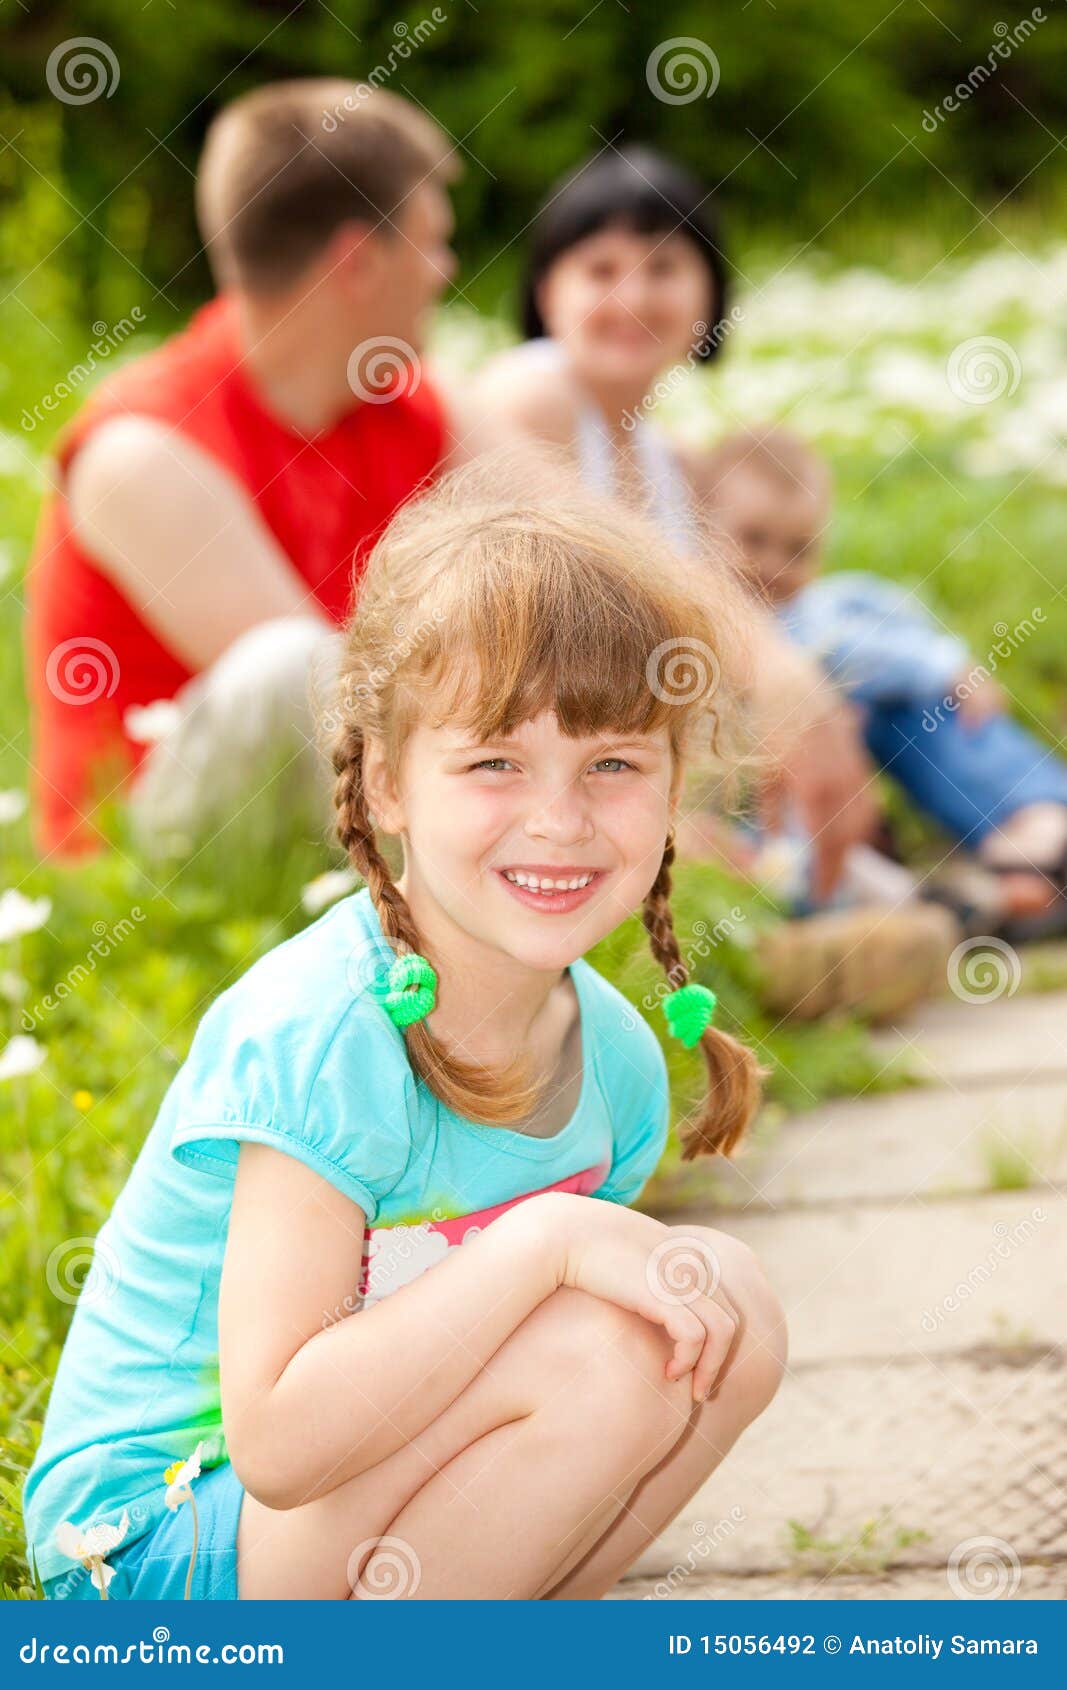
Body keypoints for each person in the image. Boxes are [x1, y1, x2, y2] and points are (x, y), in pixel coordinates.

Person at [25, 467, 785, 1602]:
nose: (558, 818)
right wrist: (544, 1242)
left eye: (613, 763)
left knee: (726, 1311)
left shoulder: (614, 1064)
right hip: (158, 1545)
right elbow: (280, 1441)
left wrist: (565, 1255)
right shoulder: (323, 1035)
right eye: (492, 762)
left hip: (342, 1520)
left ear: (674, 781)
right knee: (597, 1346)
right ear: (386, 780)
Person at [25, 79, 502, 859]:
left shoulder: (413, 406)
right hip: (154, 876)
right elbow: (344, 718)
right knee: (294, 675)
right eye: (430, 239)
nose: (444, 269)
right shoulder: (139, 450)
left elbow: (585, 543)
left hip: (354, 833)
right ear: (357, 263)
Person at [475, 144, 876, 903]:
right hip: (565, 742)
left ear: (708, 295)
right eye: (599, 270)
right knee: (851, 630)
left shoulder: (671, 462)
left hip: (674, 748)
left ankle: (985, 840)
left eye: (662, 269)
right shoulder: (528, 394)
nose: (632, 295)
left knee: (857, 617)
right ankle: (1018, 833)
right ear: (544, 291)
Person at [705, 425, 1067, 937]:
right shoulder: (713, 626)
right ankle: (941, 893)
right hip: (759, 822)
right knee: (862, 658)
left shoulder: (807, 609)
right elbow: (842, 649)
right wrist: (942, 666)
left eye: (799, 550)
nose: (773, 566)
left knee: (895, 683)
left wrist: (940, 668)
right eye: (753, 539)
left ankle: (1032, 826)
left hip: (818, 805)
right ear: (699, 531)